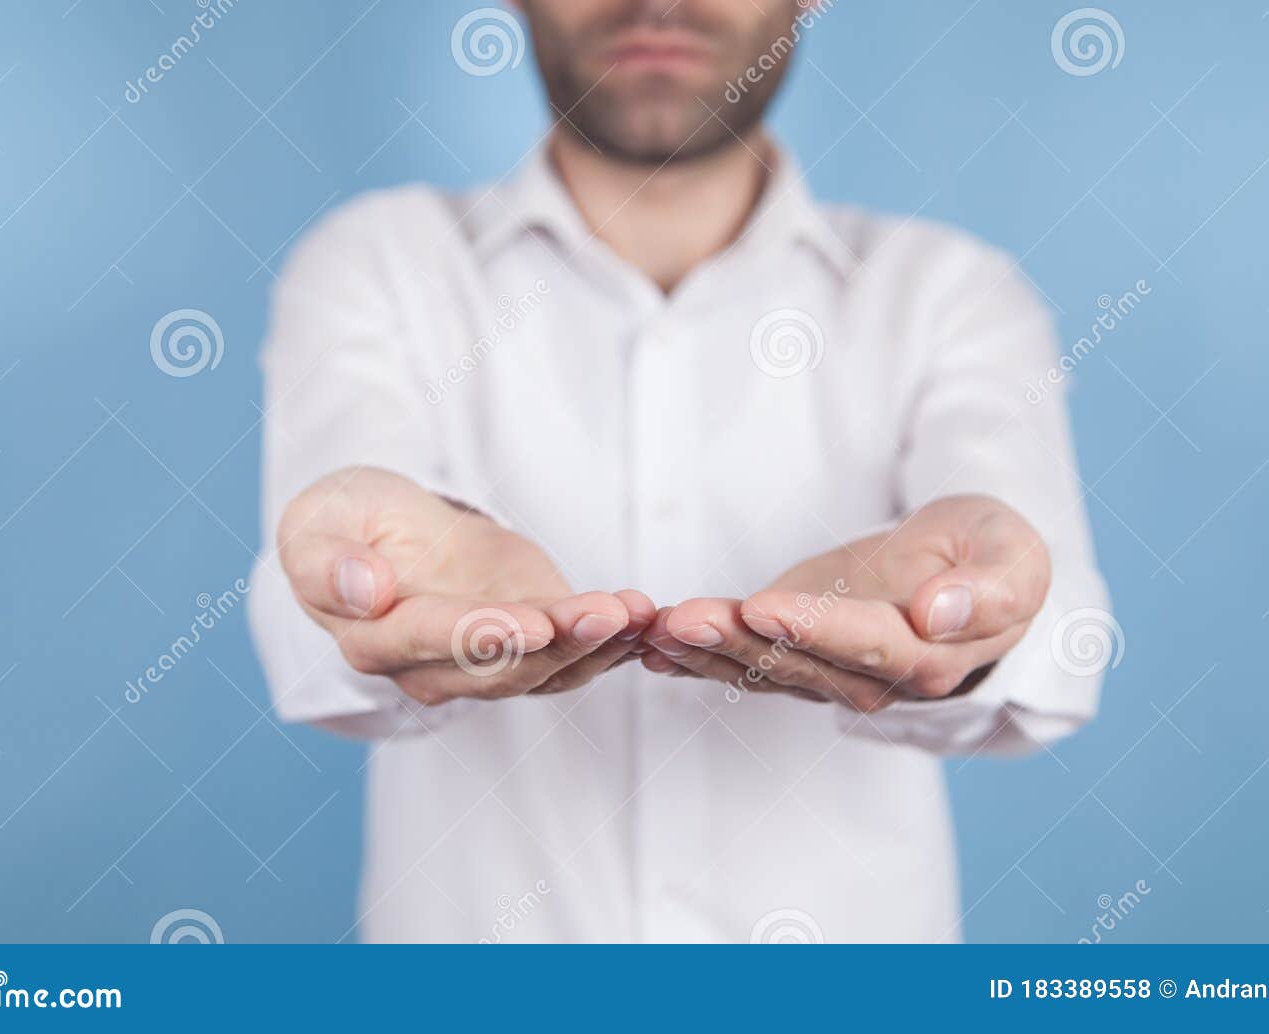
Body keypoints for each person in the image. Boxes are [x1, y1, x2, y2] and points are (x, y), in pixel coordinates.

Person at [247, 0, 1110, 943]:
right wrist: (363, 589)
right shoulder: (381, 264)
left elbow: (1058, 652)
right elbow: (305, 646)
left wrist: (973, 620)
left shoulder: (950, 292)